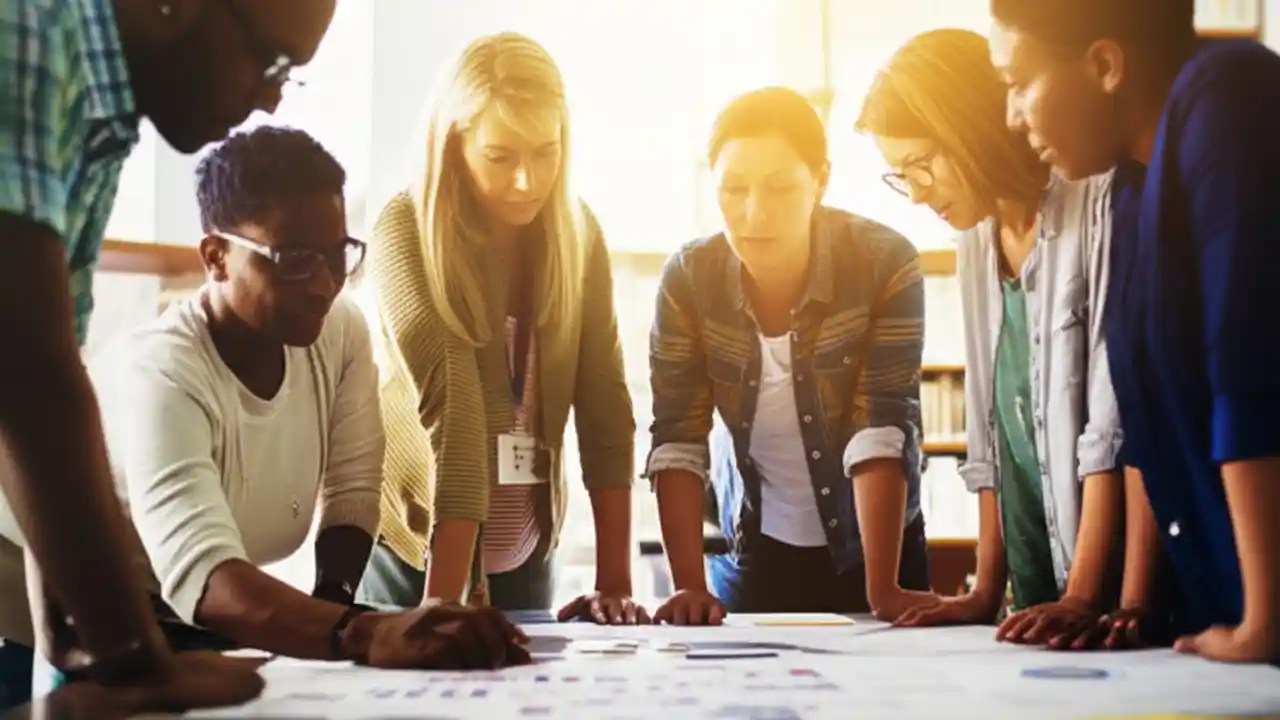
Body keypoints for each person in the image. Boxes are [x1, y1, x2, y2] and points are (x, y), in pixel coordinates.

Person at [75, 126, 527, 672]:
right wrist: (361, 632)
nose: (322, 285)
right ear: (216, 257)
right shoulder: (162, 373)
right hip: (80, 611)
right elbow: (203, 573)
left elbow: (352, 492)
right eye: (291, 259)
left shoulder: (337, 330)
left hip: (207, 610)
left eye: (337, 256)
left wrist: (335, 616)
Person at [0, 0, 337, 711]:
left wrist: (75, 629)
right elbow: (31, 377)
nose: (271, 98)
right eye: (270, 60)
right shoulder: (30, 27)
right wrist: (138, 660)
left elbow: (45, 361)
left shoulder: (102, 129)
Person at [989, 0, 1280, 663]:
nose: (1012, 116)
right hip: (1220, 612)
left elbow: (1251, 373)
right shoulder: (1129, 182)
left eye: (1019, 84)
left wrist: (1266, 622)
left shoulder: (1229, 98)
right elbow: (1147, 416)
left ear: (1104, 65)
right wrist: (1140, 606)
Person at [360, 32, 644, 624]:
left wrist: (615, 583)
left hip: (527, 556)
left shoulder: (578, 233)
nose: (526, 181)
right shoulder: (406, 228)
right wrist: (442, 605)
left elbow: (605, 404)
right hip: (416, 562)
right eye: (500, 157)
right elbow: (456, 409)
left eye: (545, 153)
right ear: (454, 143)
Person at [856, 29, 1123, 644]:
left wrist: (1083, 595)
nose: (916, 192)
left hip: (1106, 606)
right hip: (1030, 597)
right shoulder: (974, 238)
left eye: (922, 164)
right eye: (900, 175)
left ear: (969, 127)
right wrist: (984, 591)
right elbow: (990, 433)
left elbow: (1110, 431)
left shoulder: (1093, 200)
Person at [648, 86, 932, 624]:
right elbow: (678, 435)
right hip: (754, 552)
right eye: (734, 189)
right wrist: (688, 587)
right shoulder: (689, 279)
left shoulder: (884, 262)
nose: (755, 213)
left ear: (820, 179)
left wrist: (883, 591)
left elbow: (880, 422)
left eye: (779, 187)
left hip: (878, 554)